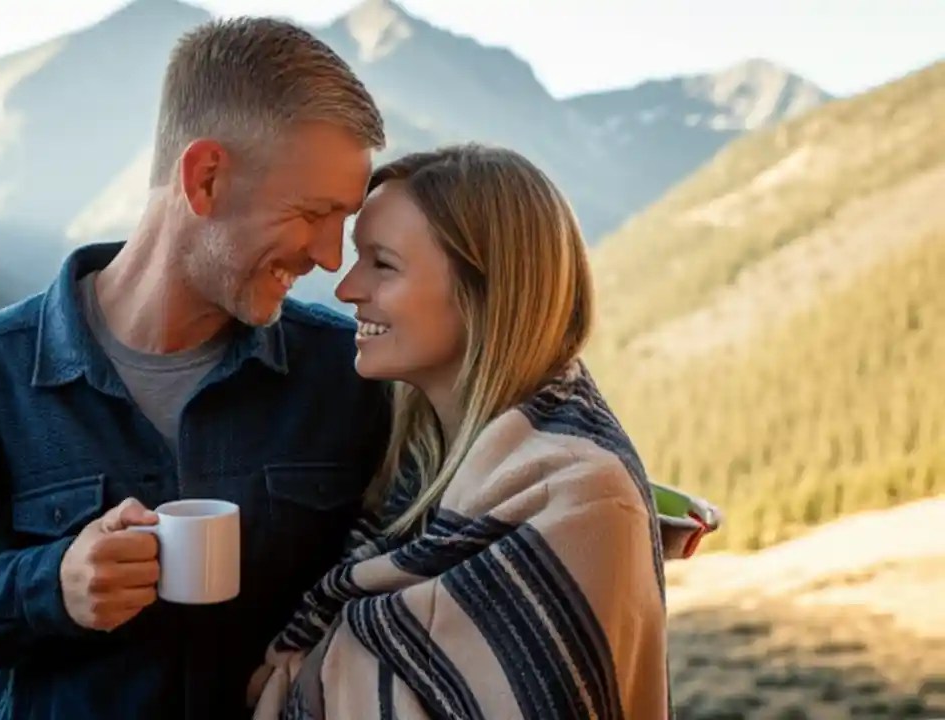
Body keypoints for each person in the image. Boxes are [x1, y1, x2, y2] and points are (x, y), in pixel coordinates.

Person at [0, 17, 394, 720]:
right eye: (314, 213)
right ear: (205, 178)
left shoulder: (348, 379)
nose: (330, 257)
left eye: (344, 220)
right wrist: (50, 585)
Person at [248, 144, 718, 718]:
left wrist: (309, 673)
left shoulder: (582, 496)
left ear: (486, 292)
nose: (347, 288)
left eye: (383, 264)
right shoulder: (421, 457)